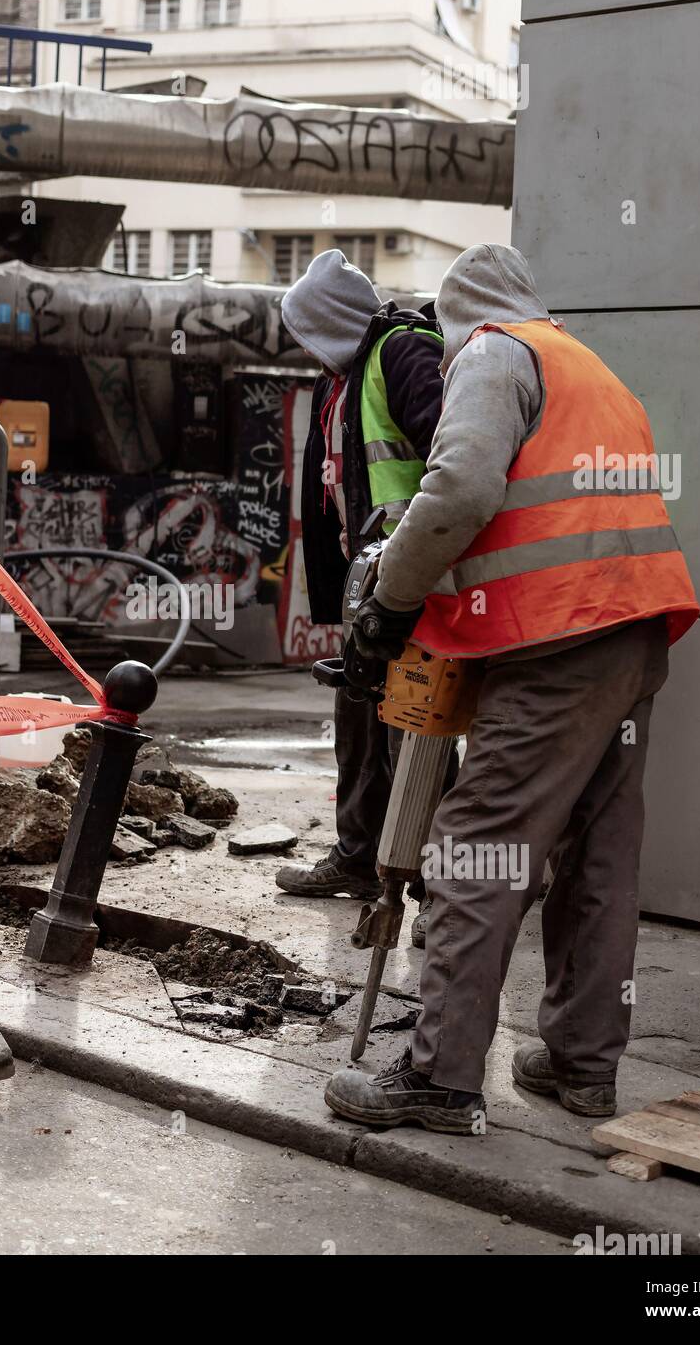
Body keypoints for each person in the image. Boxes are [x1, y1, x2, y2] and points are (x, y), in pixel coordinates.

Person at [324, 244, 699, 1134]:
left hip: (558, 638)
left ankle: (442, 1077)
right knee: (597, 850)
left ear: (456, 322)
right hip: (632, 629)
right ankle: (582, 1062)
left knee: (477, 840)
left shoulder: (493, 353)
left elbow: (458, 489)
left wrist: (392, 601)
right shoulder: (592, 369)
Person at [273, 249, 448, 924]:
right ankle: (356, 858)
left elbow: (452, 456)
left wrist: (409, 563)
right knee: (359, 717)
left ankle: (437, 885)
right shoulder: (337, 378)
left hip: (415, 580)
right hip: (368, 582)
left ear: (329, 325)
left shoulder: (403, 354)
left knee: (416, 729)